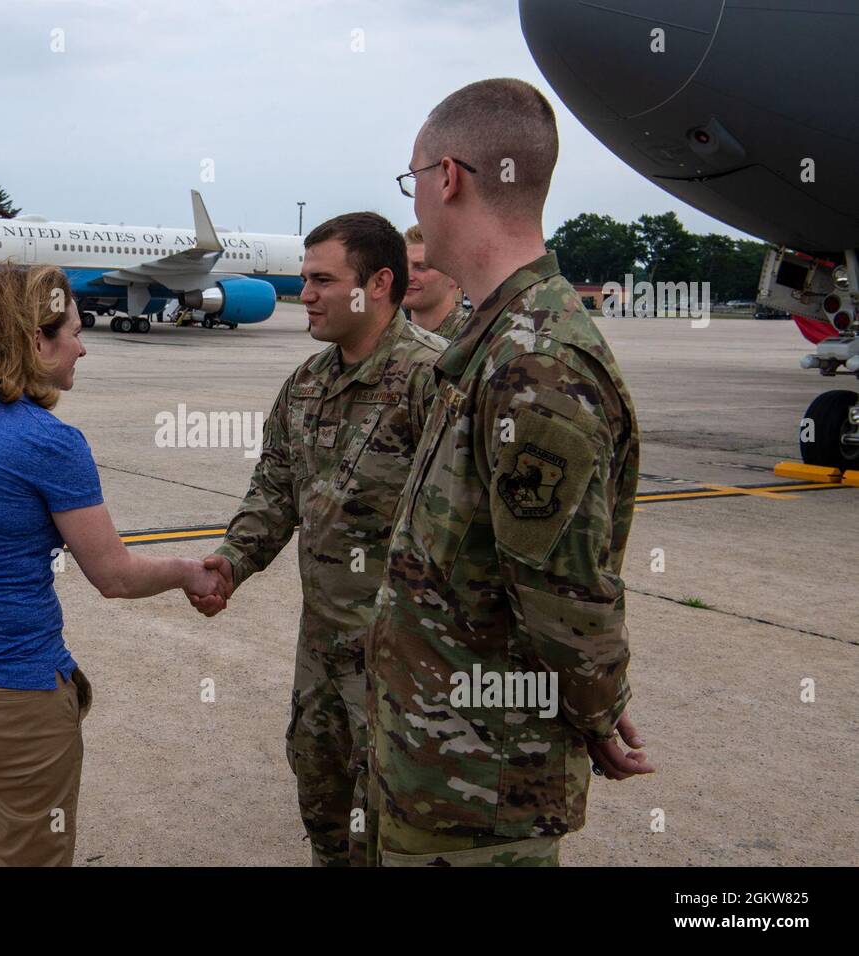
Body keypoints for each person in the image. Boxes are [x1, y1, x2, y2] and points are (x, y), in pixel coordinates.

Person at [367, 78, 654, 867]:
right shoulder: (497, 341)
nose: (417, 204)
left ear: (448, 178)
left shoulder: (537, 362)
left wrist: (599, 710)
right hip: (441, 762)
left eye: (414, 181)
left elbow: (563, 595)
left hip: (481, 786)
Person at [0, 266, 222, 867]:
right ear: (36, 341)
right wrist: (188, 570)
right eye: (74, 332)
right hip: (15, 697)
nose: (83, 346)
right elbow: (113, 577)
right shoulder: (50, 442)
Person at [189, 213, 447, 866]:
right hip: (324, 656)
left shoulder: (437, 383)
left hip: (411, 669)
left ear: (379, 284)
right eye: (304, 278)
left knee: (401, 830)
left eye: (322, 280)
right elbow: (274, 492)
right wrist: (231, 562)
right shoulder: (306, 385)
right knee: (323, 801)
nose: (304, 293)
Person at [402, 223, 470, 339]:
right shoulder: (383, 335)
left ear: (453, 275)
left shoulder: (472, 339)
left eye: (421, 267)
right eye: (402, 266)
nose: (407, 276)